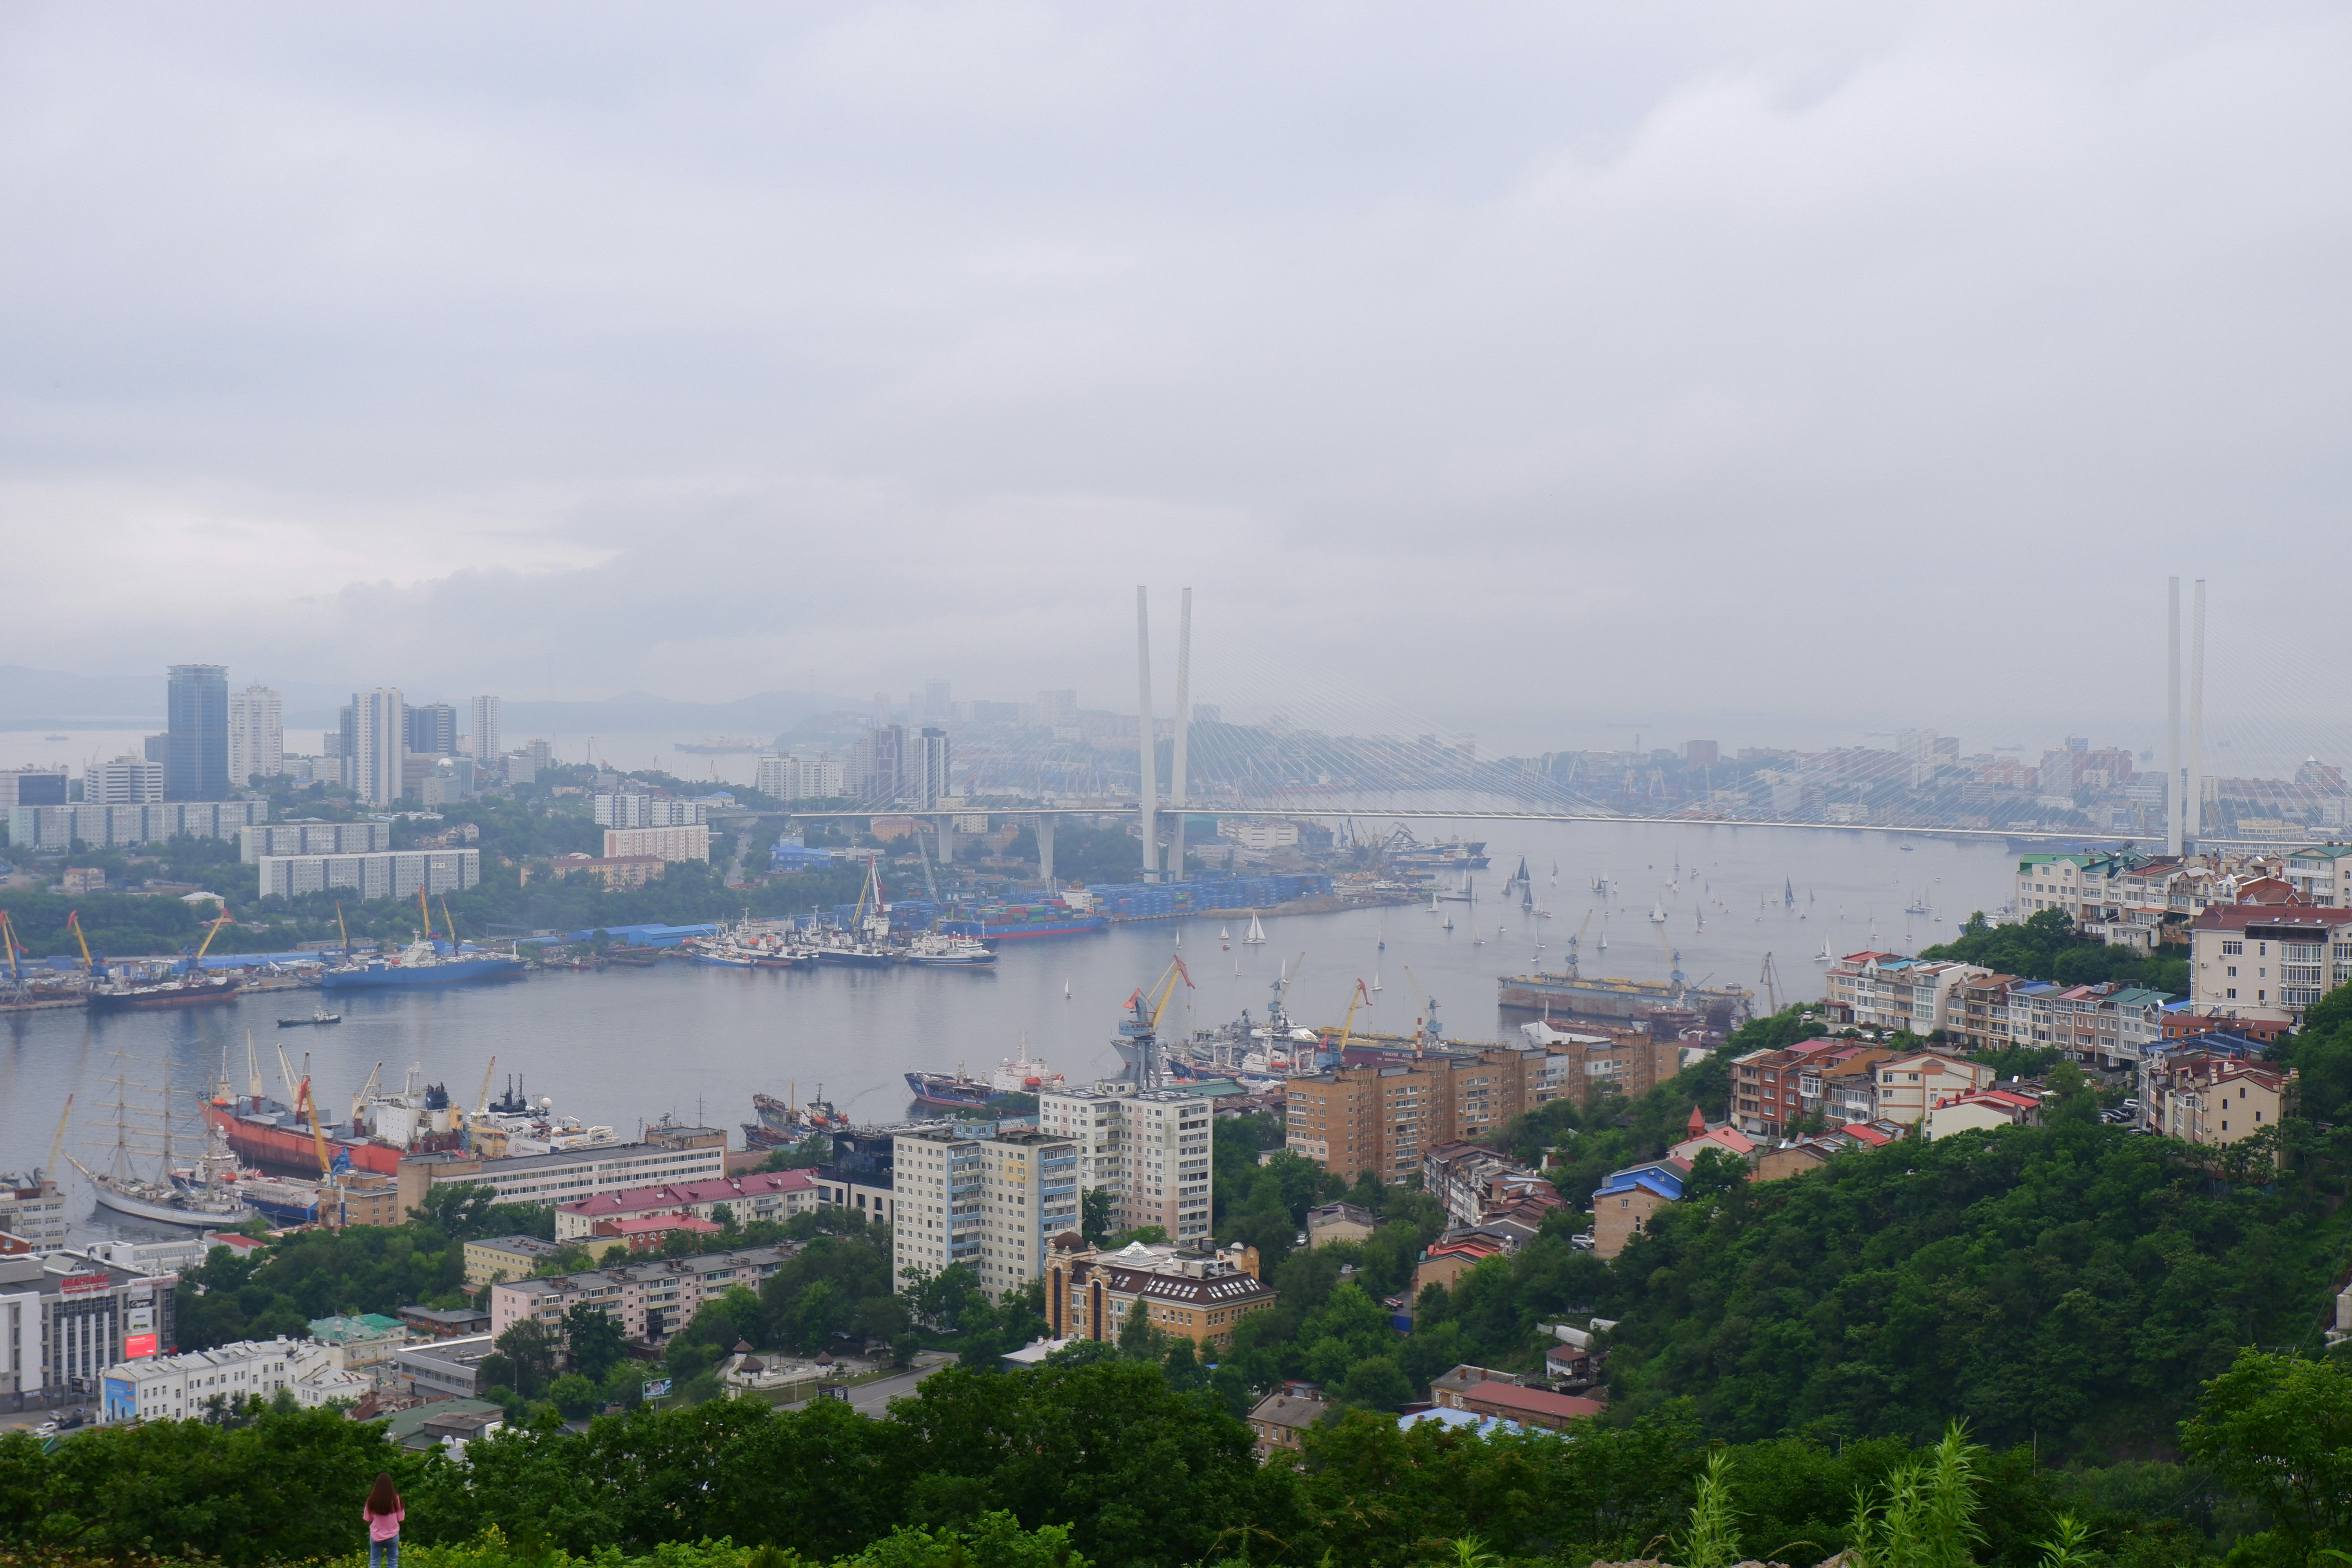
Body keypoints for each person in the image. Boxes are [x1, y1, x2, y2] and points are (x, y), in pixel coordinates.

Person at [363, 1472, 405, 1568]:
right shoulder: (396, 1499)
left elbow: (367, 1518)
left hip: (376, 1535)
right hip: (393, 1535)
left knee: (374, 1563)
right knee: (393, 1563)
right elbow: (401, 1518)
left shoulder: (372, 1499)